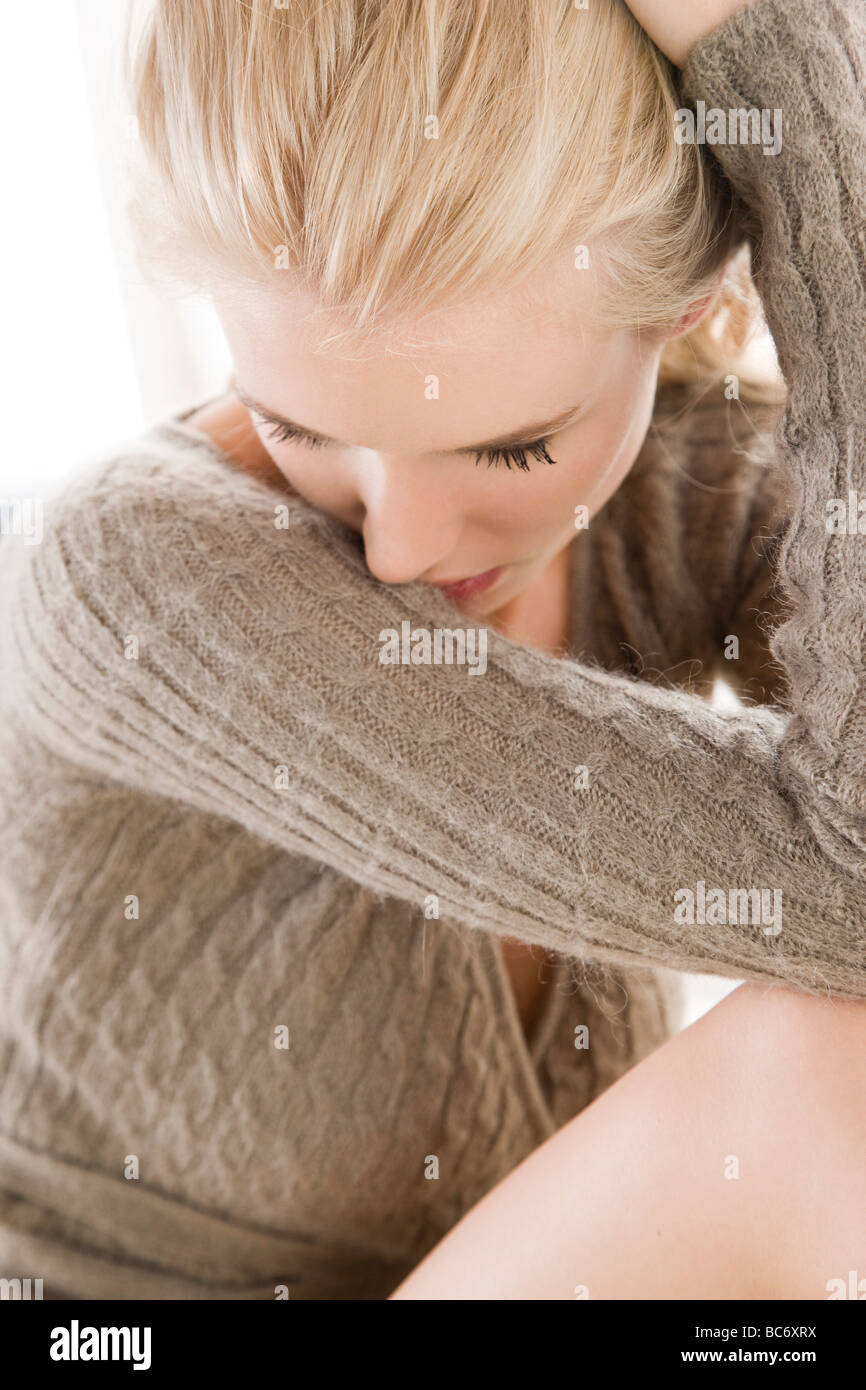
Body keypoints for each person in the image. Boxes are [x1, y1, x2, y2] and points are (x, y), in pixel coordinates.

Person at [0, 0, 863, 1300]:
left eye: (509, 447)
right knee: (825, 1056)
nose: (399, 549)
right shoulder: (125, 576)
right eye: (291, 422)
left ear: (692, 305)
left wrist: (797, 106)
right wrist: (797, 63)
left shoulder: (693, 488)